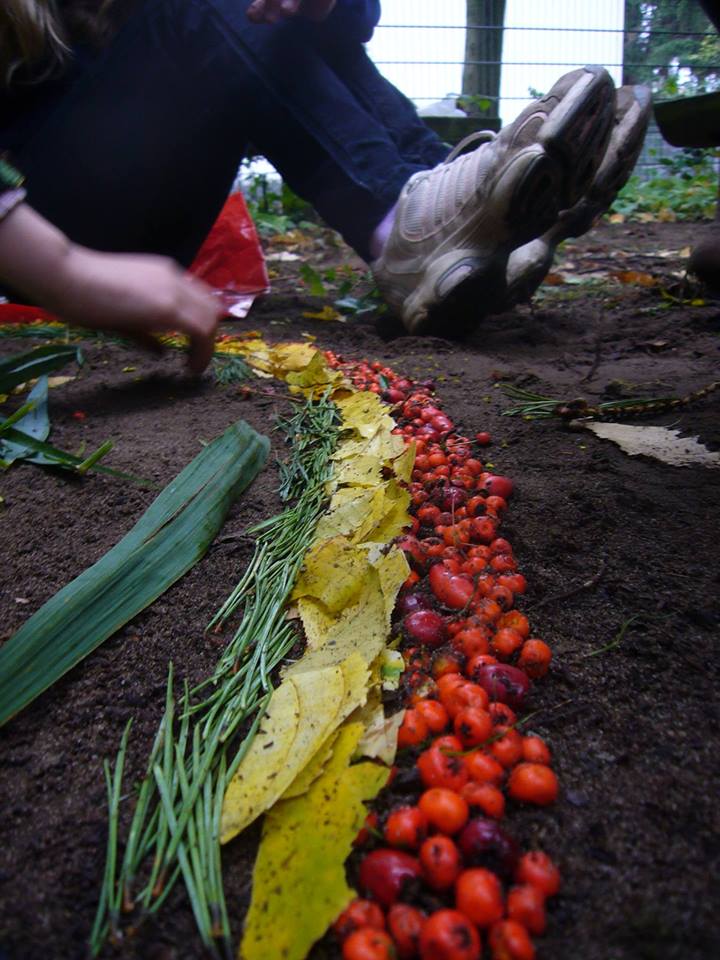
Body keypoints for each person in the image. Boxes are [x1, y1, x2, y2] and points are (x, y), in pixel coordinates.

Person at [0, 0, 650, 370]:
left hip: (131, 211)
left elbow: (341, 28)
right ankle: (407, 230)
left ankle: (480, 225)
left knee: (278, 9)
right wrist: (62, 270)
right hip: (41, 230)